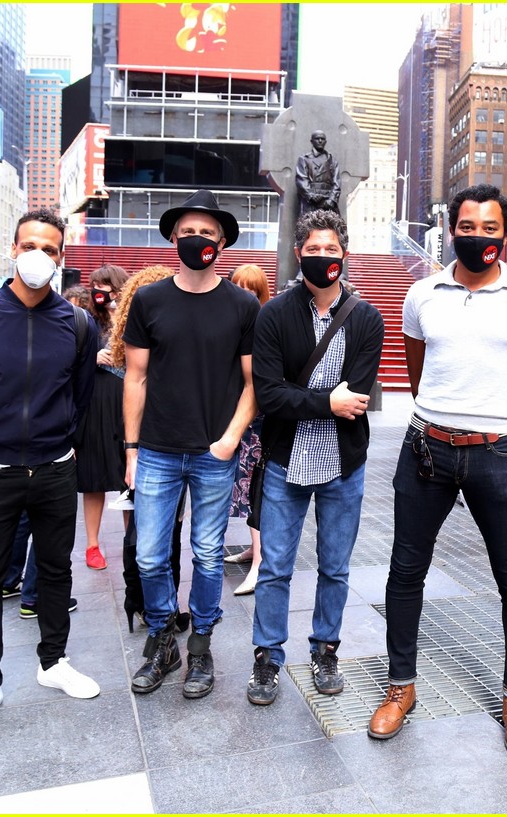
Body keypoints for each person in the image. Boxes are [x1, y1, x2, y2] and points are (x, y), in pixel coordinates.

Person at [369, 184, 507, 760]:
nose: (479, 237)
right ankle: (402, 687)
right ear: (452, 230)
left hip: (498, 454)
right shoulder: (423, 293)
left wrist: (499, 427)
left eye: (490, 227)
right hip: (427, 449)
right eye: (468, 227)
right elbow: (419, 370)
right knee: (405, 571)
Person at [0, 208, 101, 738]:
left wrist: (64, 446)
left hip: (55, 469)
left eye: (51, 248)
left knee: (56, 570)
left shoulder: (78, 323)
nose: (39, 255)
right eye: (30, 244)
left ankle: (53, 662)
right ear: (12, 249)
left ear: (62, 257)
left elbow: (80, 398)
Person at [123, 189, 260, 699]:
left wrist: (229, 440)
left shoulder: (243, 305)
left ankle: (200, 646)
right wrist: (131, 451)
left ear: (222, 240)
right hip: (156, 449)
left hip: (213, 454)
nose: (196, 239)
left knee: (206, 554)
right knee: (151, 555)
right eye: (187, 232)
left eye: (206, 232)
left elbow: (253, 384)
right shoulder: (149, 300)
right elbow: (134, 378)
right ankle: (163, 638)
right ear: (173, 238)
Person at [246, 209, 385, 705]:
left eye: (331, 249)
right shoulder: (274, 315)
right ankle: (267, 659)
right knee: (275, 566)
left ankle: (326, 649)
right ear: (299, 253)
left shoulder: (366, 318)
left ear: (344, 254)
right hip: (286, 461)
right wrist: (326, 401)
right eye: (313, 249)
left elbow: (359, 398)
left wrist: (304, 396)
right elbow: (268, 394)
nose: (322, 257)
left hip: (343, 464)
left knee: (336, 567)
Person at [108, 265, 189, 633]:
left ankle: (145, 601)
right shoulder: (154, 341)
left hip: (138, 438)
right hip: (149, 440)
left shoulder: (127, 346)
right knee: (155, 531)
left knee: (146, 527)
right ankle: (151, 603)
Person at [76, 264, 130, 570]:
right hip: (96, 401)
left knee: (128, 476)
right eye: (94, 285)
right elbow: (67, 358)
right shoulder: (85, 321)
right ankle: (92, 544)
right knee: (93, 478)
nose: (99, 291)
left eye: (105, 285)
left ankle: (130, 540)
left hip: (128, 401)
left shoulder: (132, 316)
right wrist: (90, 358)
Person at [225, 263, 272, 596]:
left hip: (261, 422)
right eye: (238, 286)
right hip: (235, 420)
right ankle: (252, 549)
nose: (245, 294)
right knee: (243, 490)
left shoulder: (267, 324)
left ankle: (260, 561)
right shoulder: (228, 321)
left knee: (257, 489)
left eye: (252, 289)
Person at [295, 131, 341, 217]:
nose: (320, 141)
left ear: (325, 142)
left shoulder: (332, 160)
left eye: (322, 139)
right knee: (309, 228)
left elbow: (337, 183)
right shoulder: (304, 159)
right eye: (317, 138)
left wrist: (332, 200)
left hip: (328, 204)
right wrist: (311, 196)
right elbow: (301, 180)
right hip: (311, 204)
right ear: (311, 141)